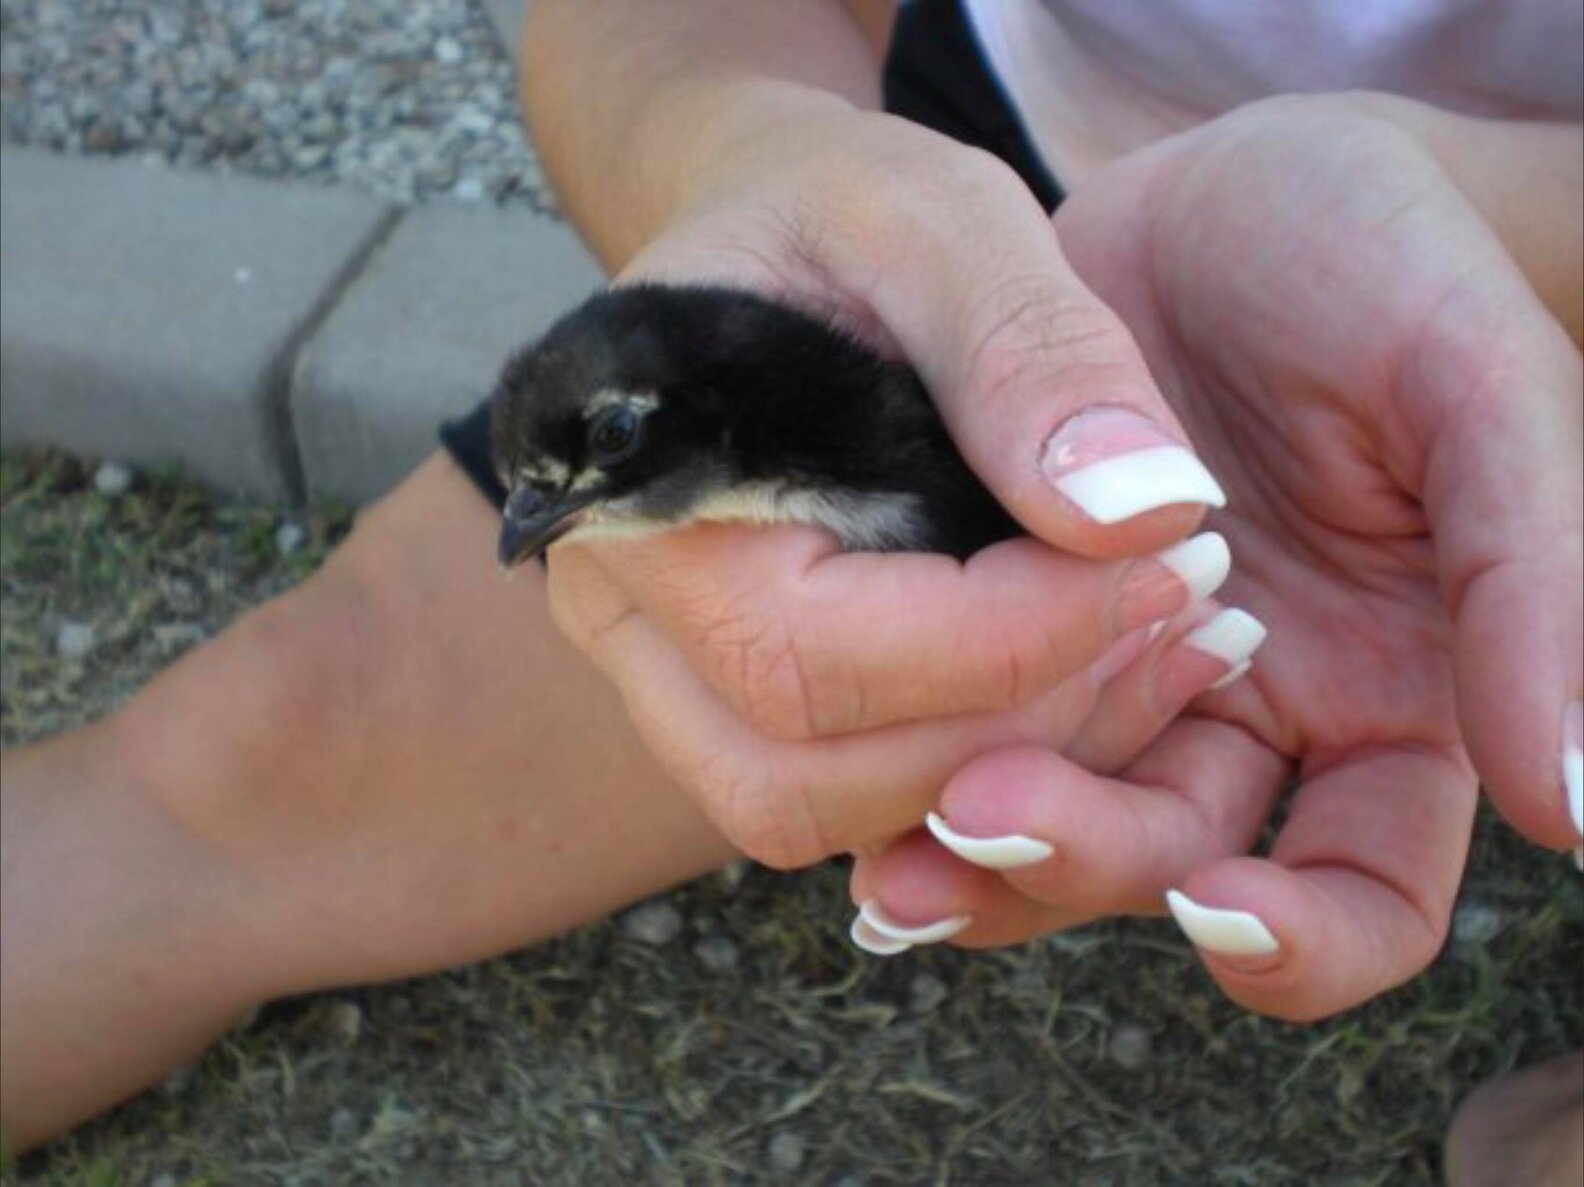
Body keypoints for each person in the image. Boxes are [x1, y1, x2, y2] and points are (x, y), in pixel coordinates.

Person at [1, 1, 1578, 1179]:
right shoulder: (753, 389)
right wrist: (753, 153)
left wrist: (1478, 235)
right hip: (940, 192)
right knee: (278, 757)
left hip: (1528, 254)